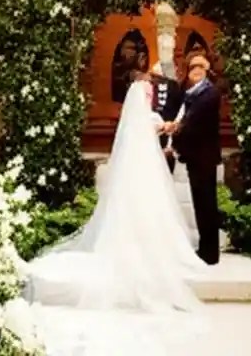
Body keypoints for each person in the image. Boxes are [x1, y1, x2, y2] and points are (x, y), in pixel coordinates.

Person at [24, 63, 211, 351]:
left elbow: (157, 125)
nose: (152, 92)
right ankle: (147, 243)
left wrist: (167, 128)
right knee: (149, 201)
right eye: (149, 89)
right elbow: (159, 124)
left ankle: (140, 239)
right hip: (148, 162)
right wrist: (168, 126)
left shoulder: (140, 115)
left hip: (143, 162)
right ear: (142, 91)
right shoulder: (146, 115)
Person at [163, 53, 222, 265]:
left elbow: (192, 122)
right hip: (194, 157)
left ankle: (210, 252)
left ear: (206, 70)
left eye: (200, 67)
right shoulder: (191, 93)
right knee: (200, 204)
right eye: (192, 68)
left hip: (204, 157)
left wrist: (173, 129)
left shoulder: (209, 94)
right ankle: (204, 248)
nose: (196, 71)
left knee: (207, 204)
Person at [150, 62, 184, 173]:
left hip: (171, 124)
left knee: (169, 154)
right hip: (155, 127)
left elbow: (180, 105)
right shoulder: (150, 87)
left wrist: (175, 123)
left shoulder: (175, 86)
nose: (155, 79)